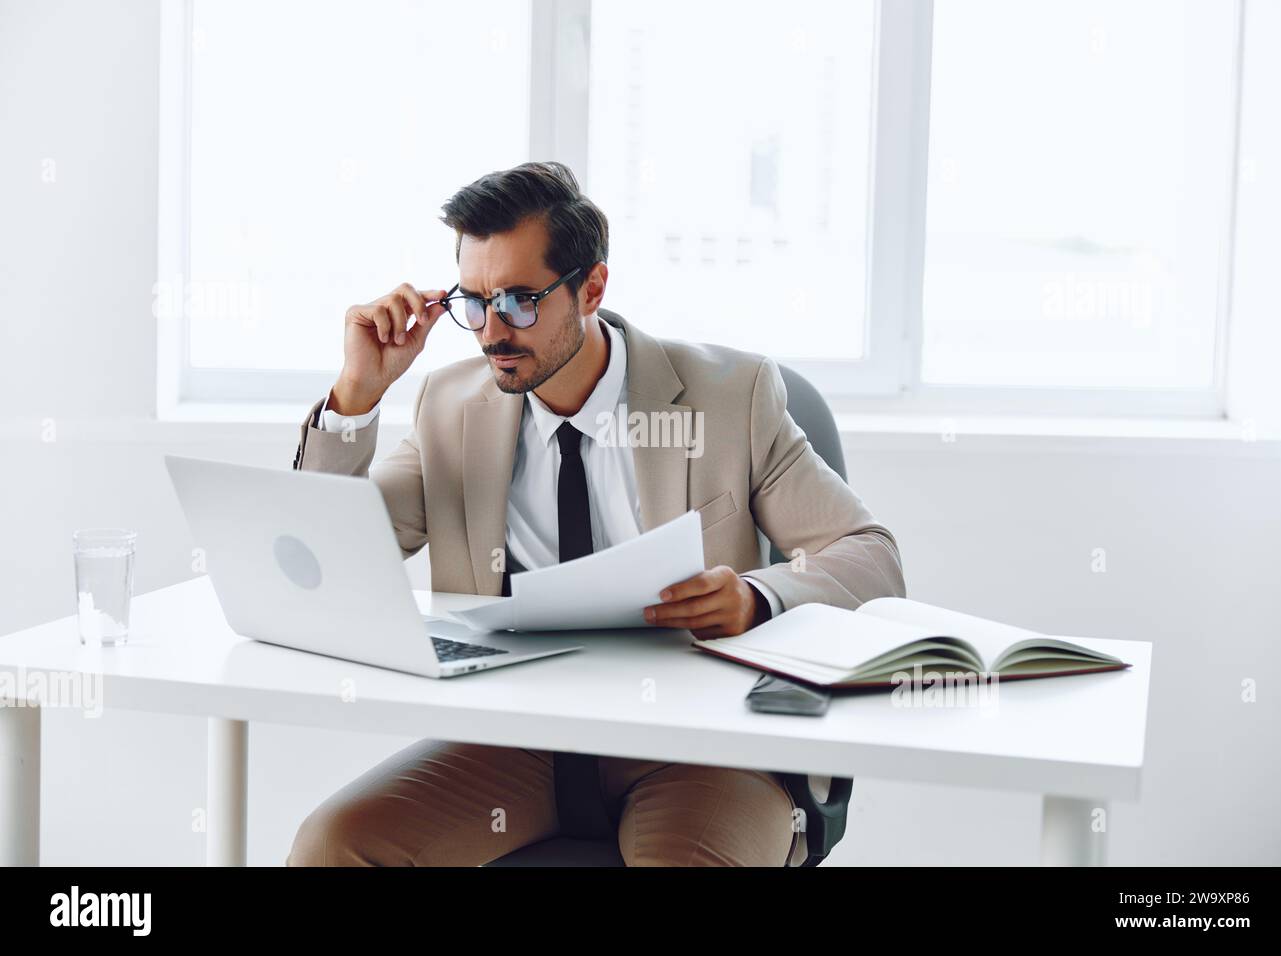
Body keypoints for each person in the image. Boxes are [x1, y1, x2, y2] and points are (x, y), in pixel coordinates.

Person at [286, 161, 904, 866]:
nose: (493, 331)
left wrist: (759, 596)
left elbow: (869, 555)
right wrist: (356, 397)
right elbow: (324, 563)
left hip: (697, 745)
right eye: (475, 301)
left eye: (520, 300)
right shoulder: (449, 407)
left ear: (592, 288)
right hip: (519, 745)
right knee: (333, 848)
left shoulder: (730, 396)